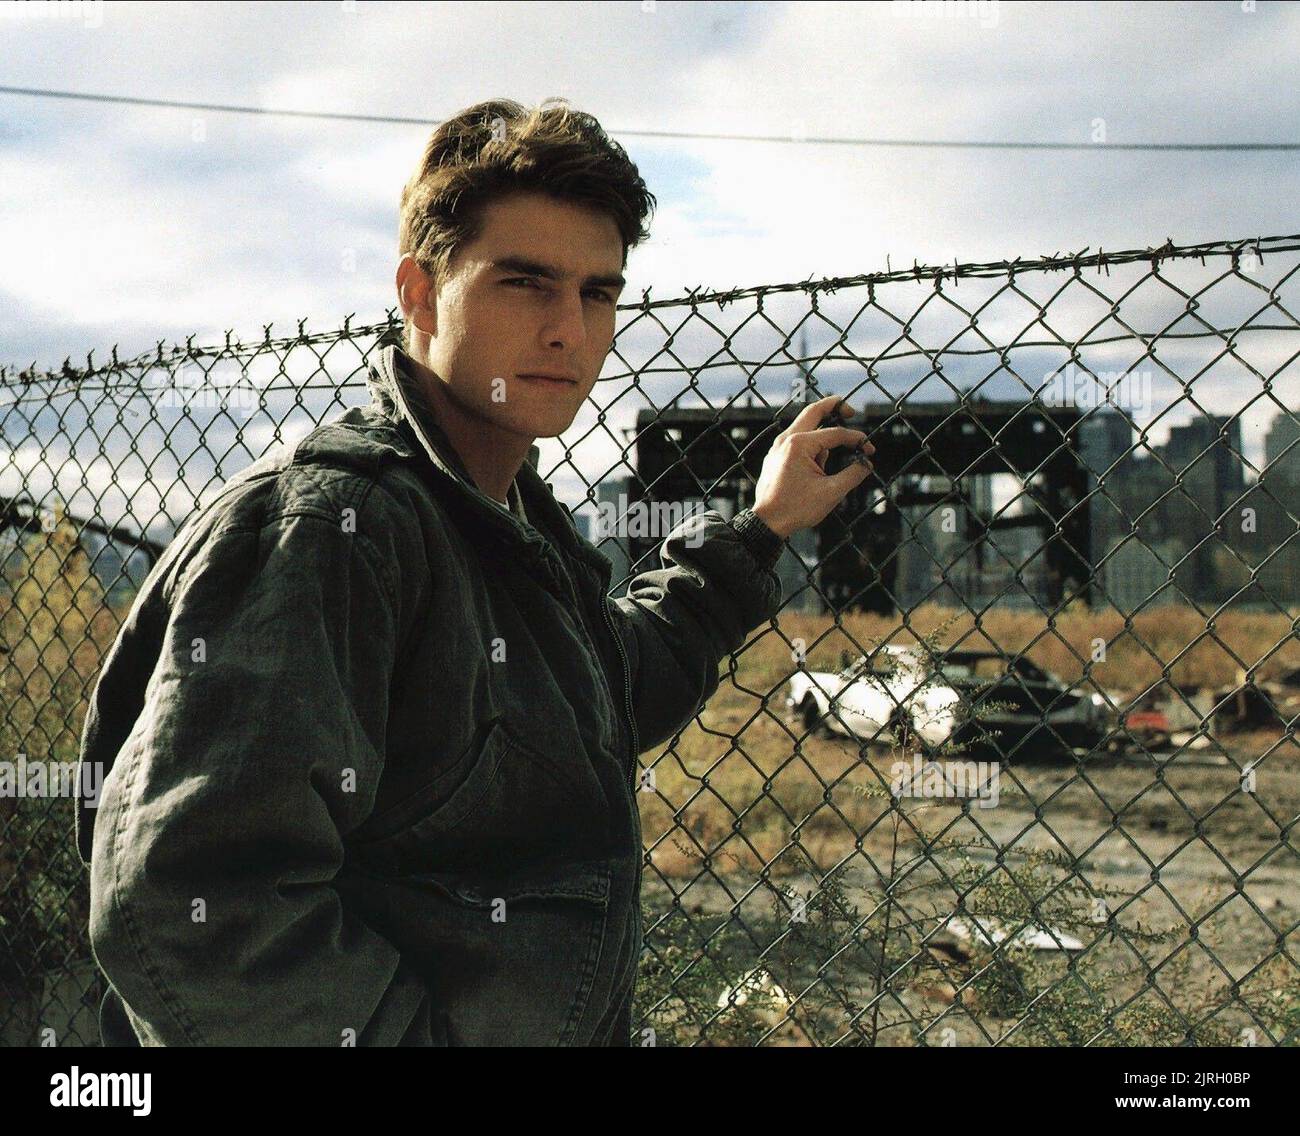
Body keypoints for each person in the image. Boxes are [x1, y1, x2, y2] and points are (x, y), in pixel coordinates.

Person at [75, 98, 875, 1046]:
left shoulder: (503, 521)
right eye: (524, 284)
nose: (570, 333)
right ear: (419, 294)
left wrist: (765, 525)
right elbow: (197, 910)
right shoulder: (338, 529)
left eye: (599, 292)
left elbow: (610, 685)